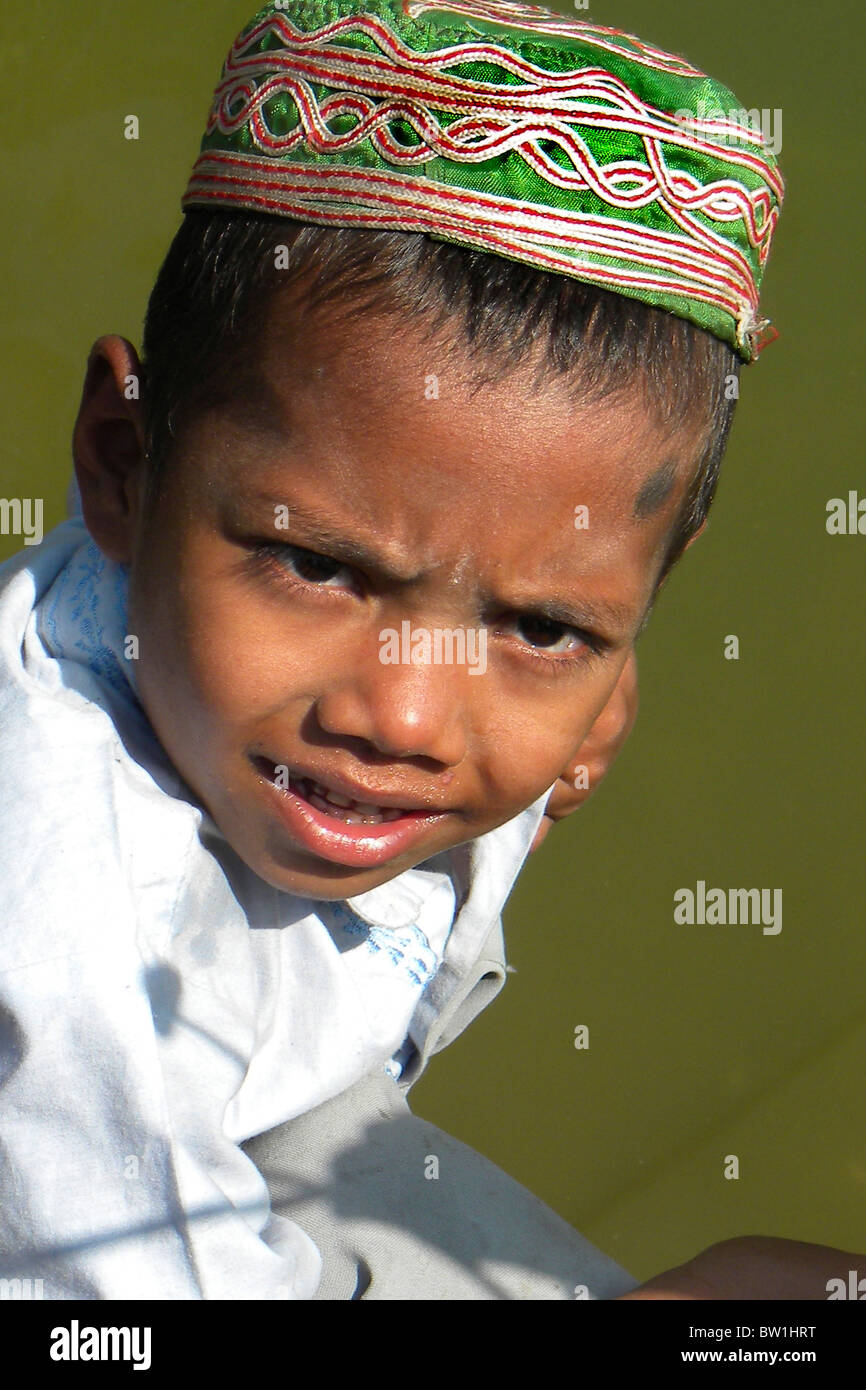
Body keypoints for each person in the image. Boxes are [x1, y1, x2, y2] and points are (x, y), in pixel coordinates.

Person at [2, 0, 856, 1300]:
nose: (404, 715)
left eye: (540, 627)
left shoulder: (506, 694)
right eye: (319, 564)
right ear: (124, 464)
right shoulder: (63, 953)